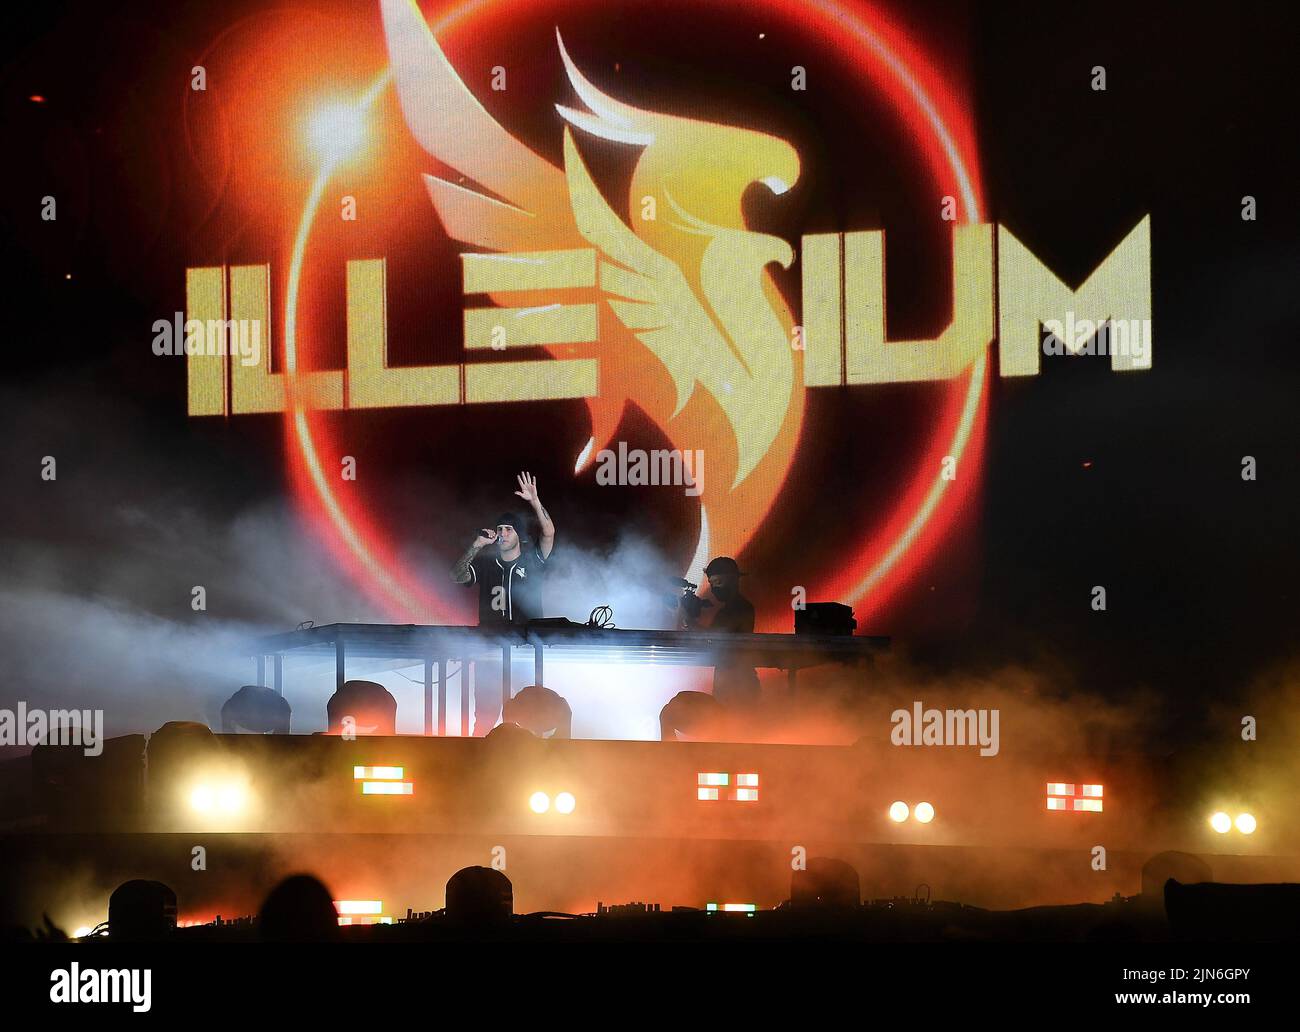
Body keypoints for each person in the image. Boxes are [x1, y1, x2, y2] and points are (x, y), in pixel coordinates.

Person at [450, 472, 555, 734]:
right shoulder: (486, 564)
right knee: (484, 718)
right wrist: (476, 545)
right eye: (499, 530)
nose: (502, 534)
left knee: (527, 716)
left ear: (518, 535)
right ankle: (479, 765)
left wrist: (535, 501)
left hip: (523, 650)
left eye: (508, 529)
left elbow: (549, 532)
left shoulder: (531, 561)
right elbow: (457, 575)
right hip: (489, 649)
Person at [681, 556, 760, 708]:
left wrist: (688, 620)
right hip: (732, 682)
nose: (714, 588)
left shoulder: (739, 608)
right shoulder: (730, 609)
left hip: (739, 685)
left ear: (733, 580)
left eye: (719, 582)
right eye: (712, 583)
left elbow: (714, 638)